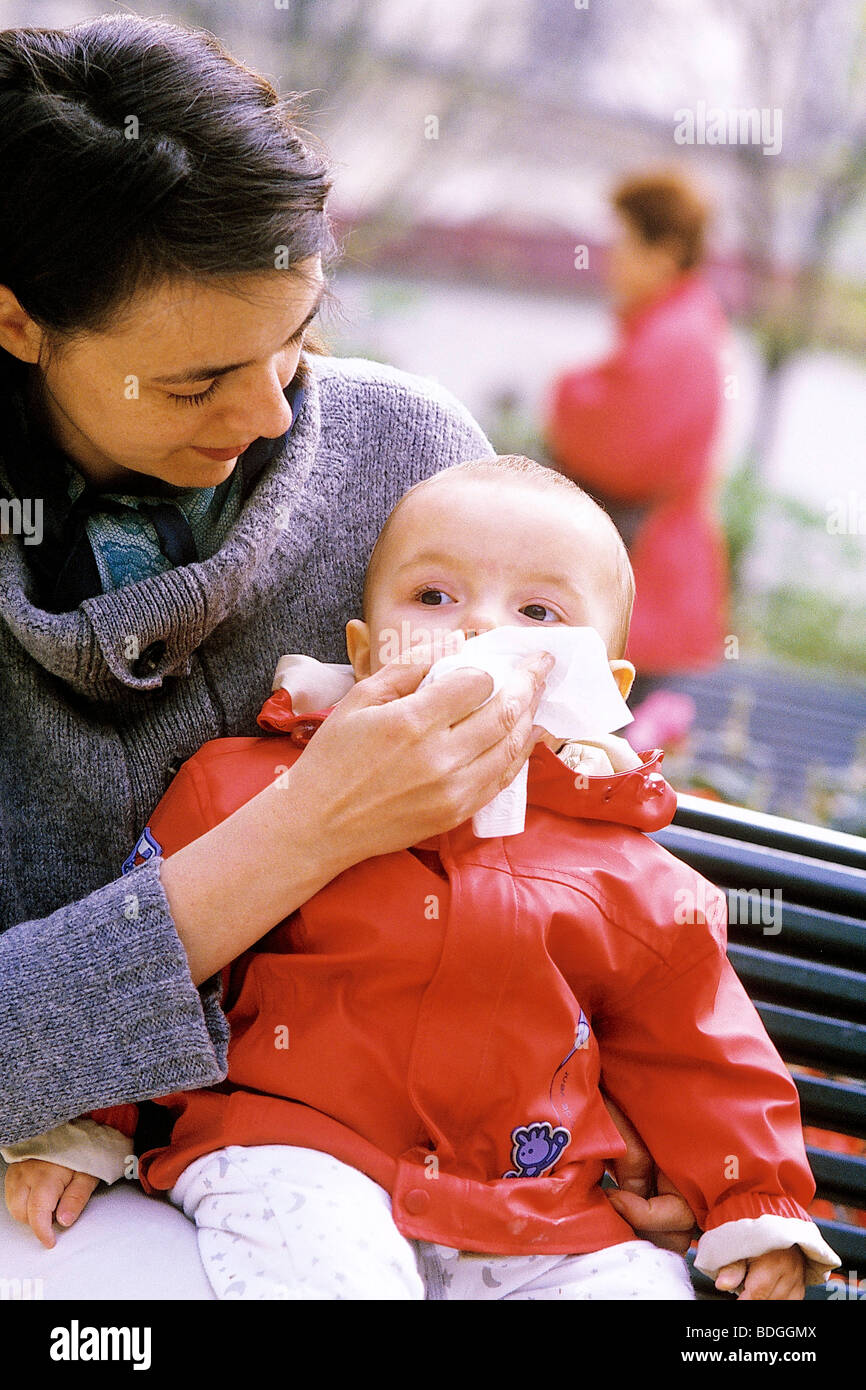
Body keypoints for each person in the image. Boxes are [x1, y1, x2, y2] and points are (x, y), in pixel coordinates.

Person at [0, 16, 688, 1296]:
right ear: (19, 322)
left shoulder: (406, 452)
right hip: (107, 1195)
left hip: (470, 1176)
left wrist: (643, 1097)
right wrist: (305, 828)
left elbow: (571, 843)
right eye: (200, 377)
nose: (271, 411)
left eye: (299, 334)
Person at [6, 457, 840, 1301]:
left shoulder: (628, 872)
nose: (478, 628)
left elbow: (701, 1044)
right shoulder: (247, 789)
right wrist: (78, 1131)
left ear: (601, 689)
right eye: (434, 598)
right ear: (365, 651)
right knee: (324, 1270)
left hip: (533, 1208)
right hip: (299, 1156)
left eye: (537, 612)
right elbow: (149, 960)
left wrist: (752, 1198)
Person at [544, 168, 729, 707]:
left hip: (646, 576)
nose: (609, 260)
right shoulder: (681, 327)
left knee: (602, 750)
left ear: (664, 254)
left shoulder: (675, 338)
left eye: (621, 244)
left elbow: (618, 453)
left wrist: (569, 392)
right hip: (653, 572)